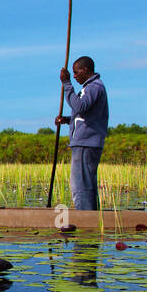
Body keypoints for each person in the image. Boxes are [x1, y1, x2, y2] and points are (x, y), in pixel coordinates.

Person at [55, 56, 109, 211]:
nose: (74, 76)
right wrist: (66, 120)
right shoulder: (91, 88)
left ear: (86, 70)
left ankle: (85, 220)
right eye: (72, 74)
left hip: (86, 143)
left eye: (76, 72)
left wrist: (66, 84)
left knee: (81, 185)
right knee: (86, 184)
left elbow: (80, 106)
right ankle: (91, 217)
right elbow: (83, 114)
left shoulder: (94, 87)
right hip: (85, 142)